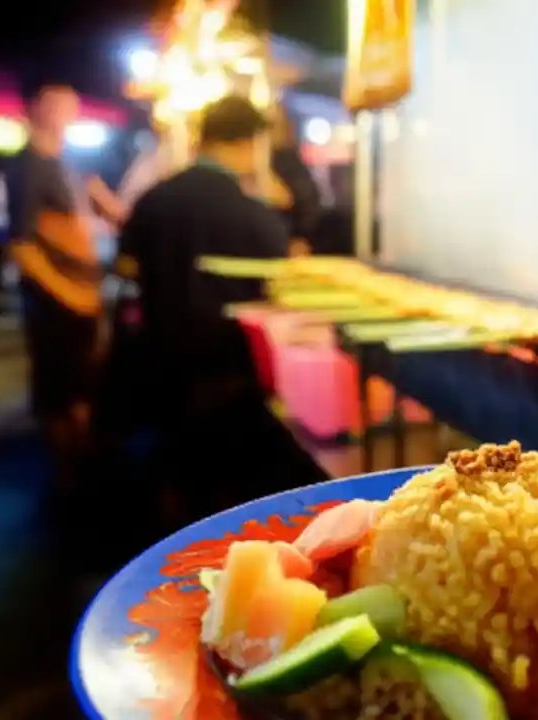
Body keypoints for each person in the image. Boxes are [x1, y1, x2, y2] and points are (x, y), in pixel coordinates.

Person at [111, 95, 324, 530]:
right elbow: (281, 283)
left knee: (176, 476)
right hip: (228, 373)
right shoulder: (253, 214)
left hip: (162, 362)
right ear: (250, 143)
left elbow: (125, 264)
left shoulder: (154, 200)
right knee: (230, 496)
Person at [5, 84, 103, 491]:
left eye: (72, 104)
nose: (68, 112)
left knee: (79, 386)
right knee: (59, 391)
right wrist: (69, 294)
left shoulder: (63, 164)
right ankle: (68, 481)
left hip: (77, 298)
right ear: (34, 110)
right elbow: (21, 246)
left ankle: (79, 472)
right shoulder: (27, 166)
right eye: (57, 104)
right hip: (54, 302)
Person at [269, 106, 323, 256]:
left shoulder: (286, 161)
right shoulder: (278, 161)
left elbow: (301, 199)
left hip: (290, 242)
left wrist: (300, 237)